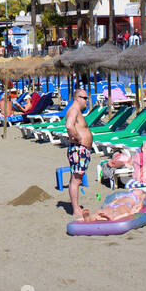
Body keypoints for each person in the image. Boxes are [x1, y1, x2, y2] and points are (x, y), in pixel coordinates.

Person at [63, 87, 93, 216]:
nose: (87, 100)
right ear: (77, 98)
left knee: (76, 179)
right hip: (78, 149)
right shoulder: (74, 110)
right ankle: (76, 210)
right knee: (75, 180)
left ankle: (76, 208)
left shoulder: (76, 111)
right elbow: (69, 126)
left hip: (80, 150)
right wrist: (78, 137)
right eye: (85, 98)